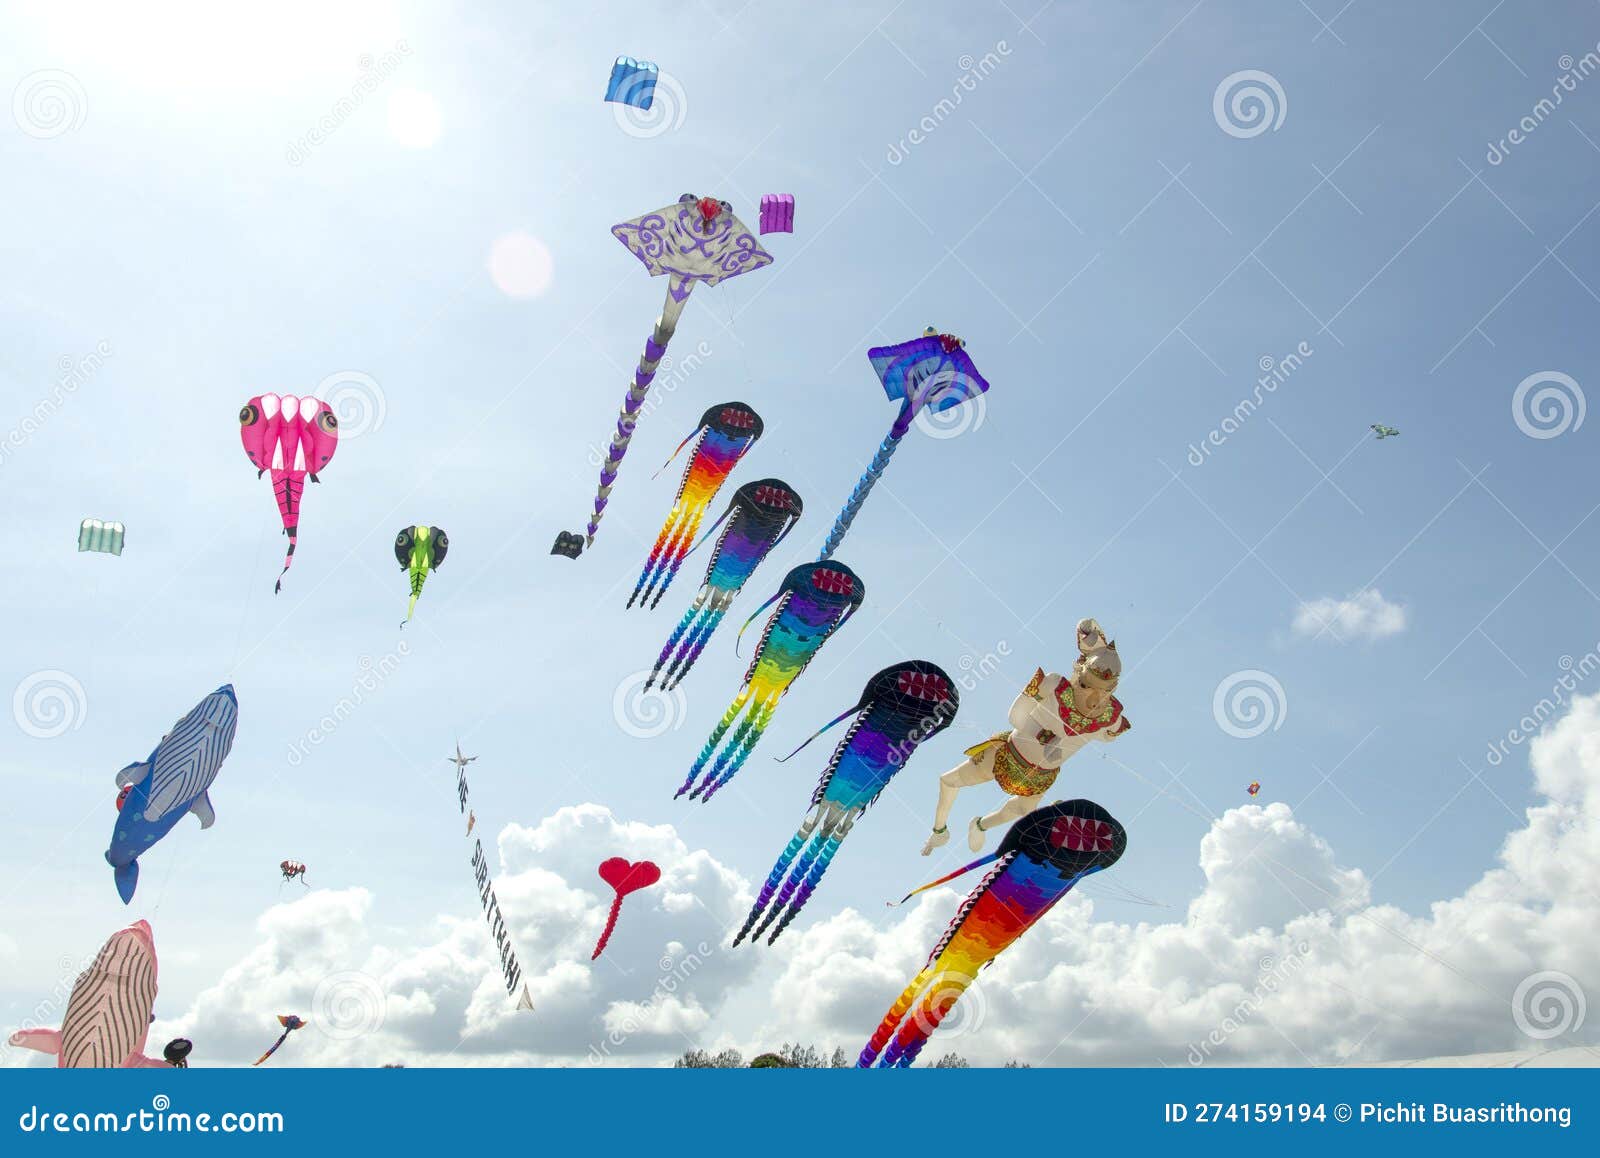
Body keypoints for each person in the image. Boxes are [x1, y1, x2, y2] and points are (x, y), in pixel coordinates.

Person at [922, 618, 1130, 855]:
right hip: (1007, 754)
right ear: (1079, 671)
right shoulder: (1054, 684)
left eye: (1103, 691)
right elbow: (1015, 716)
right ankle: (939, 832)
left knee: (1020, 811)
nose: (1093, 698)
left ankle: (980, 825)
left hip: (1040, 777)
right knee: (949, 780)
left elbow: (1109, 737)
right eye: (1087, 685)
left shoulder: (1112, 716)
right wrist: (1043, 734)